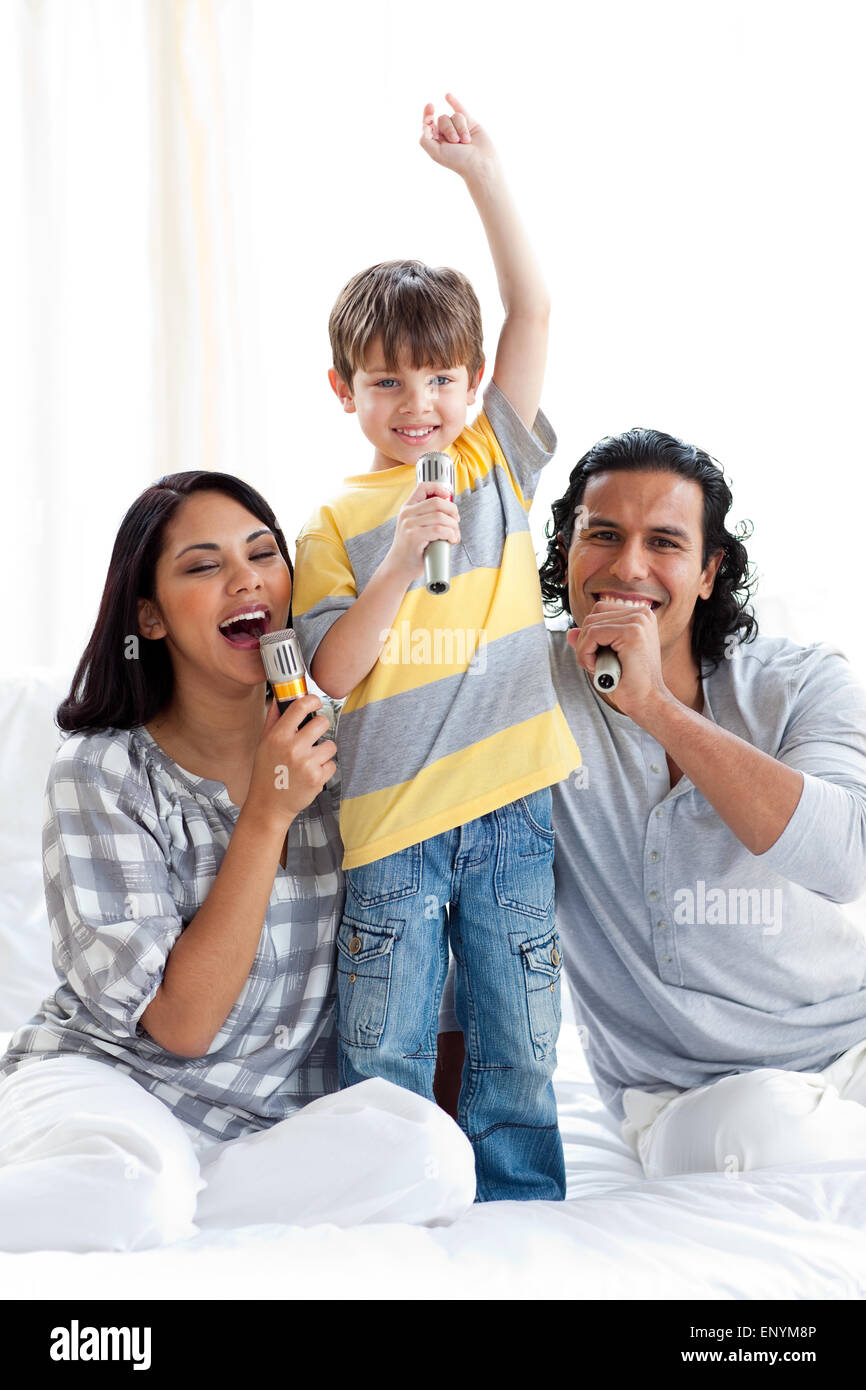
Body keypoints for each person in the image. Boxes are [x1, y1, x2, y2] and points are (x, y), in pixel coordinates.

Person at [0, 471, 475, 1253]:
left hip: (255, 1129)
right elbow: (182, 1027)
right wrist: (266, 814)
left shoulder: (346, 745)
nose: (246, 578)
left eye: (262, 554)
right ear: (147, 617)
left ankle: (161, 1207)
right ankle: (134, 1197)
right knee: (131, 1191)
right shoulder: (101, 772)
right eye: (203, 565)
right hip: (108, 1085)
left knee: (432, 1160)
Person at [292, 96, 580, 1201]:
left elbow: (535, 307)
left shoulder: (493, 462)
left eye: (440, 380)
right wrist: (401, 560)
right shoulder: (327, 527)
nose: (419, 404)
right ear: (344, 391)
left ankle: (517, 1208)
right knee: (386, 1037)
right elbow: (328, 674)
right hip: (388, 826)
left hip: (509, 809)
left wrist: (483, 175)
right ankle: (392, 1204)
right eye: (387, 382)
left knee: (518, 1026)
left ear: (468, 385)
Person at [536, 426, 866, 1178]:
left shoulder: (803, 682)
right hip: (688, 1096)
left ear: (711, 570)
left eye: (664, 543)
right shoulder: (526, 696)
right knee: (766, 1137)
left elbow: (844, 862)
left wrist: (654, 704)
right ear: (565, 555)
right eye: (604, 536)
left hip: (851, 1043)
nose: (629, 566)